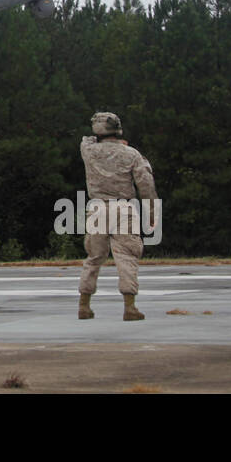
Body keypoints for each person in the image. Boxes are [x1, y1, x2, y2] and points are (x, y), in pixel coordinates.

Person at [77, 111, 157, 321]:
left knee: (94, 258)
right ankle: (130, 308)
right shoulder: (131, 154)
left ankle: (84, 306)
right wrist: (151, 212)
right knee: (127, 257)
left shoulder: (88, 150)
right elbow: (146, 185)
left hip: (97, 209)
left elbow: (87, 139)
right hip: (124, 209)